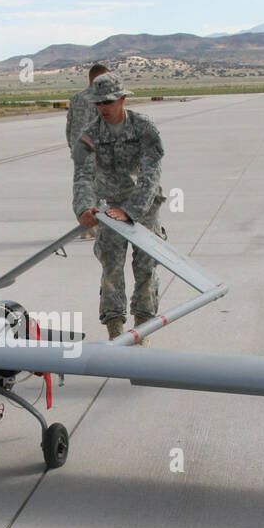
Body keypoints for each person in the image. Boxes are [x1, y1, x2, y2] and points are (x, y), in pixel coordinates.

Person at [71, 71, 166, 345]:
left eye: (109, 102)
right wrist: (85, 207)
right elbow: (83, 176)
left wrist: (131, 211)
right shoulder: (89, 135)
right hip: (108, 208)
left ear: (123, 99)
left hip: (143, 207)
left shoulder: (144, 128)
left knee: (146, 268)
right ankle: (115, 333)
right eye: (98, 103)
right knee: (111, 269)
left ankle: (142, 331)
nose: (103, 108)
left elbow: (151, 176)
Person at [66, 64, 108, 240]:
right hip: (98, 152)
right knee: (101, 189)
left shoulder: (76, 98)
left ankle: (86, 228)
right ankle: (98, 227)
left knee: (82, 189)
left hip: (80, 152)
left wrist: (74, 148)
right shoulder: (103, 98)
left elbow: (69, 128)